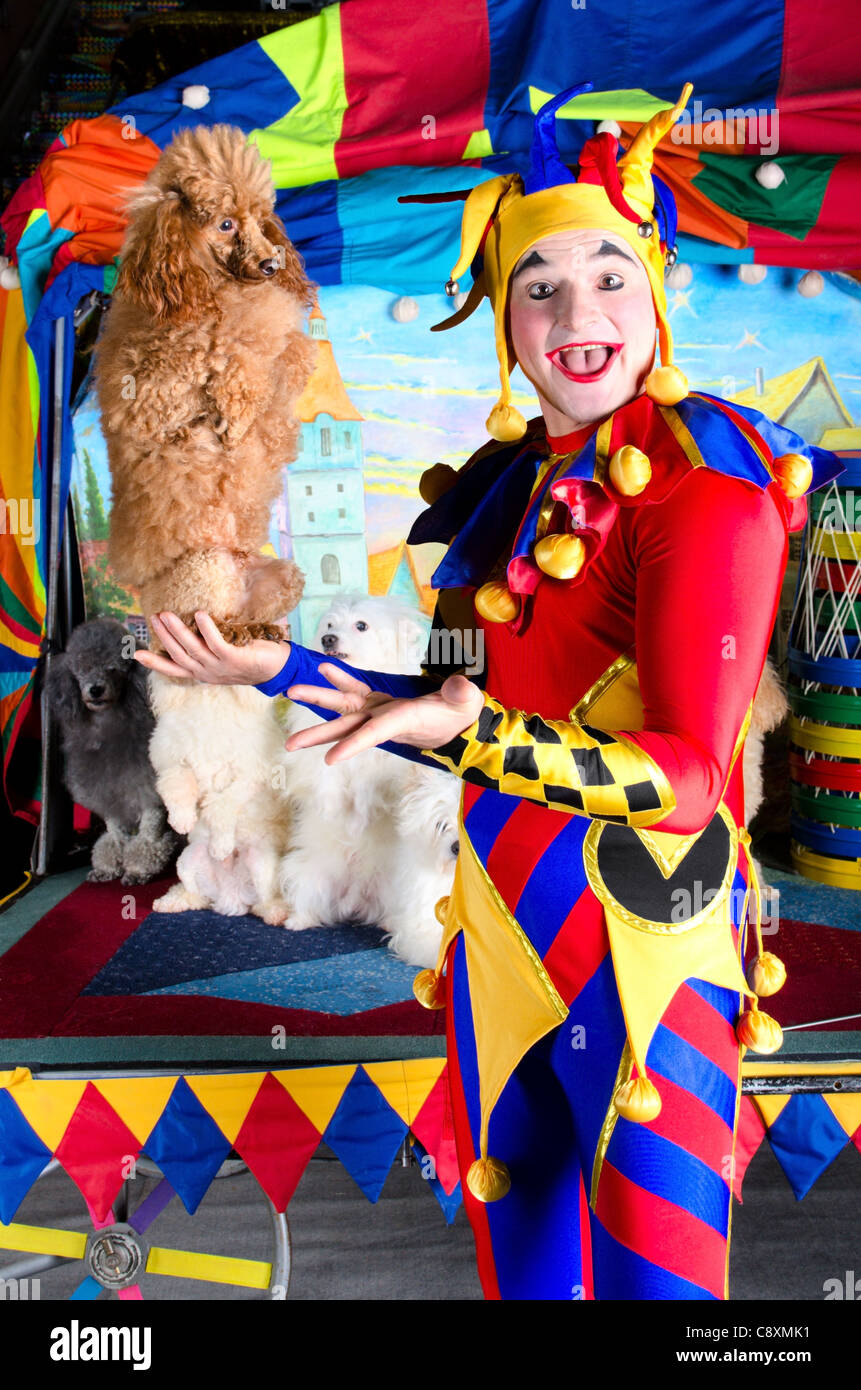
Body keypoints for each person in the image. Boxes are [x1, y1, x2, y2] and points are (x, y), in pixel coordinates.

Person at [135, 81, 844, 1300]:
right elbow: (460, 702)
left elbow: (681, 782)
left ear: (658, 296)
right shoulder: (516, 496)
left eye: (611, 274)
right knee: (520, 1280)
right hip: (502, 942)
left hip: (649, 960)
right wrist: (286, 669)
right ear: (504, 323)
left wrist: (479, 736)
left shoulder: (707, 502)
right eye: (541, 284)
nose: (580, 312)